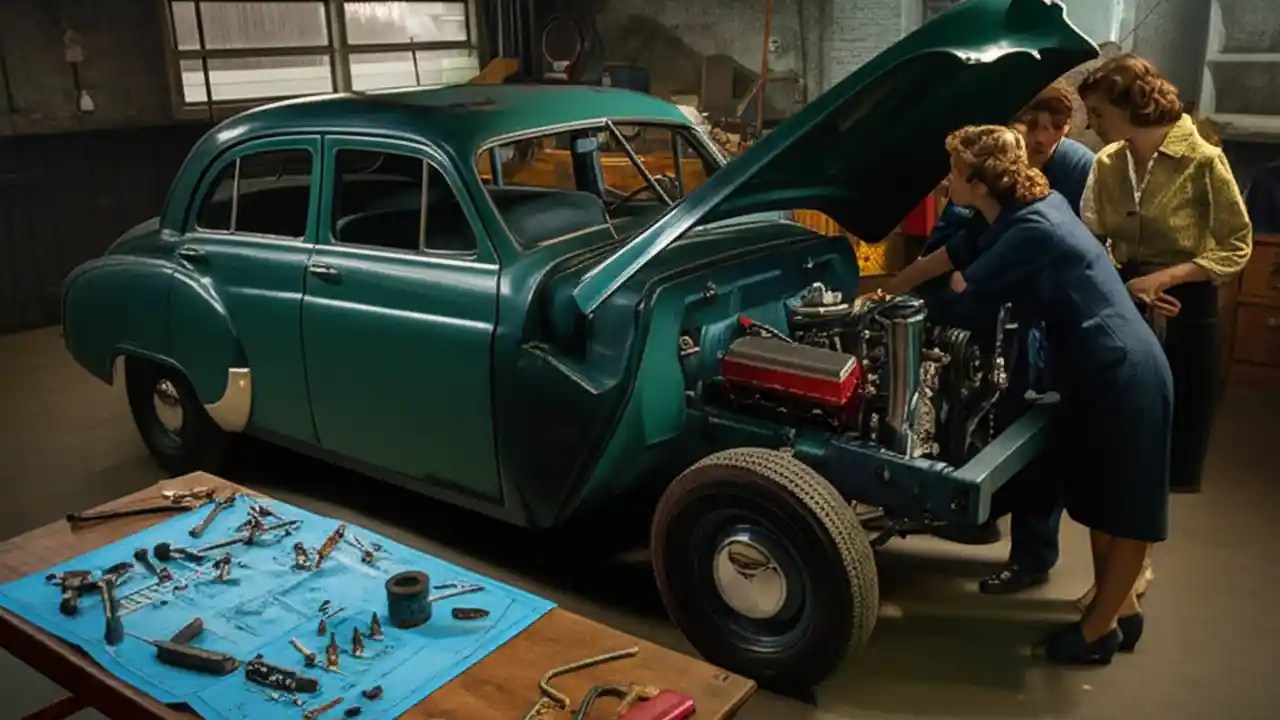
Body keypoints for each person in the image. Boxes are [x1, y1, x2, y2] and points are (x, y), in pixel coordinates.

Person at [885, 124, 1174, 664]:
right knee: (1102, 501)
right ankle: (1120, 613)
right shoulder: (1019, 209)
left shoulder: (1032, 229)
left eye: (953, 173)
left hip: (1120, 370)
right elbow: (951, 257)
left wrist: (926, 297)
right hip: (1092, 368)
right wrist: (888, 287)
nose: (946, 182)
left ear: (978, 182)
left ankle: (1097, 634)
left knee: (1127, 508)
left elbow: (962, 293)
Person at [1067, 53, 1253, 611]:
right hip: (1124, 304)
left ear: (1128, 105)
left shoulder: (1203, 161)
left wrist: (1165, 277)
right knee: (1123, 449)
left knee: (1163, 452)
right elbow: (1090, 237)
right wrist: (1125, 285)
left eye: (1097, 111)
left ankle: (1128, 578)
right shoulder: (1106, 164)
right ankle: (1123, 580)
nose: (1089, 124)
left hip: (1184, 307)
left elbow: (1235, 245)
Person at [898, 82, 1097, 598]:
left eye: (1051, 128)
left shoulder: (1069, 170)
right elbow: (953, 245)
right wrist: (896, 289)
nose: (1040, 137)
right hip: (976, 322)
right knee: (963, 422)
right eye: (1031, 125)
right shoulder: (981, 171)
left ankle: (1031, 555)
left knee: (1026, 438)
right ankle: (973, 514)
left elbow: (996, 259)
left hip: (1030, 326)